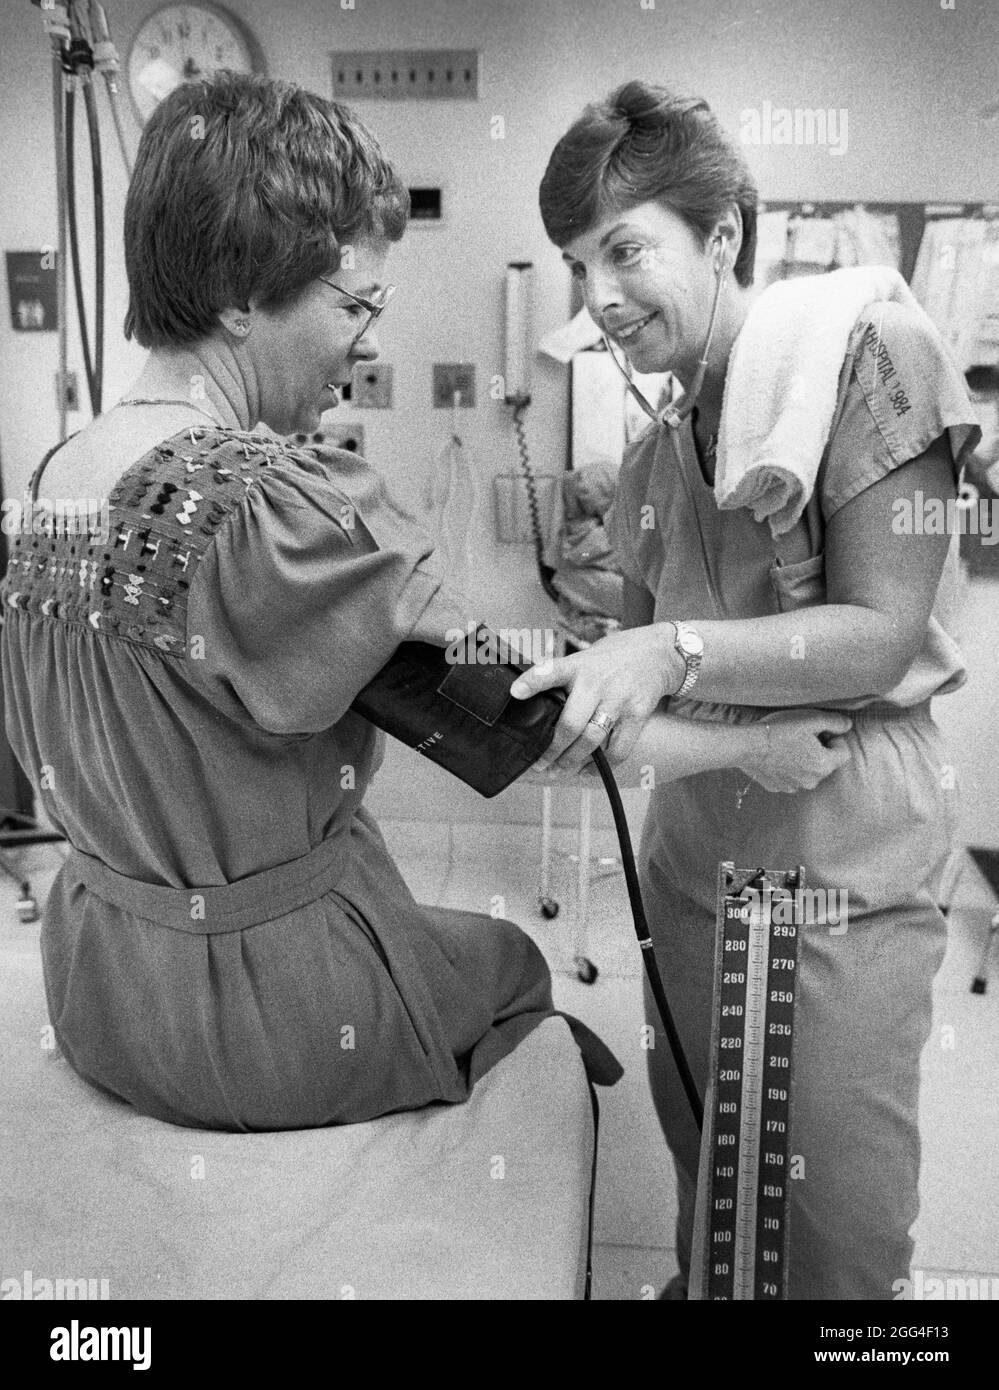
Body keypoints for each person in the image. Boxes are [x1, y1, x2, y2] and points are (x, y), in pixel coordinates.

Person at [0, 72, 845, 1139]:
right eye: (353, 305)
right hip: (257, 1027)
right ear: (237, 296)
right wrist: (749, 751)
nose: (367, 343)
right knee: (514, 965)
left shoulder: (48, 482)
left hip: (99, 985)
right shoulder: (272, 508)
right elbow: (530, 728)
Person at [516, 80, 983, 1299]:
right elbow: (633, 720)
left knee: (837, 1230)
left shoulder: (870, 361)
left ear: (721, 235)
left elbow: (879, 637)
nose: (598, 298)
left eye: (624, 249)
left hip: (840, 869)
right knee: (711, 1185)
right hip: (694, 872)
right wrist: (625, 698)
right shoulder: (659, 456)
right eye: (576, 265)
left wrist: (669, 651)